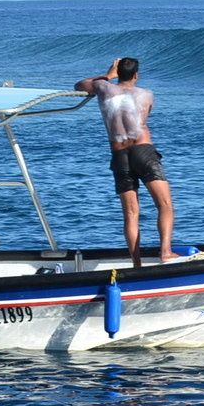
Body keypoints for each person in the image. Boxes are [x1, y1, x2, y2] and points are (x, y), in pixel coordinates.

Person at [76, 57, 176, 266]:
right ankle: (165, 252)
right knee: (164, 204)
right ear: (136, 75)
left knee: (131, 213)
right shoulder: (146, 94)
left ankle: (136, 263)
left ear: (117, 72)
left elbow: (79, 85)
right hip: (143, 151)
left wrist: (108, 75)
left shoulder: (103, 88)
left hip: (119, 155)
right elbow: (146, 114)